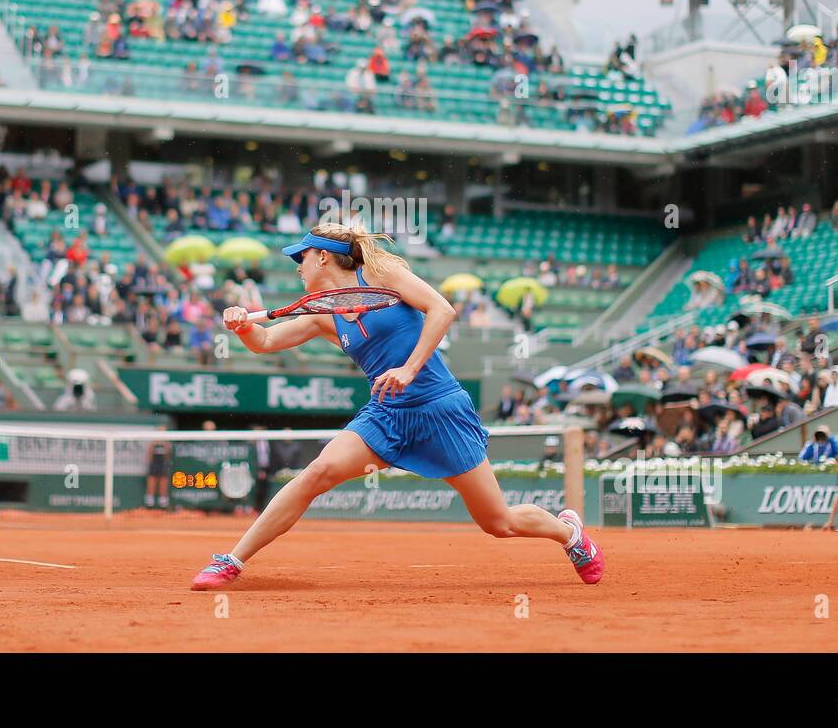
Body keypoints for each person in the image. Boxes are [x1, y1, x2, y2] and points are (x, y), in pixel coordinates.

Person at [191, 224, 605, 590]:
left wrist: (408, 368)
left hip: (440, 408)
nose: (298, 266)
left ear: (322, 256)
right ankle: (232, 560)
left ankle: (569, 533)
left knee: (498, 523)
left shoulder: (383, 275)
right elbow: (264, 343)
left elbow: (442, 309)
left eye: (301, 257)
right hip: (386, 413)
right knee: (317, 472)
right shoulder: (323, 315)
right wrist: (243, 326)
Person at [144, 426, 172, 510]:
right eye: (160, 431)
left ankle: (163, 505)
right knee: (151, 482)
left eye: (163, 432)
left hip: (163, 465)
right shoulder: (152, 443)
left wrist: (165, 444)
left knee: (163, 483)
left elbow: (168, 455)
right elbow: (149, 455)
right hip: (154, 465)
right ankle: (149, 505)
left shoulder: (167, 443)